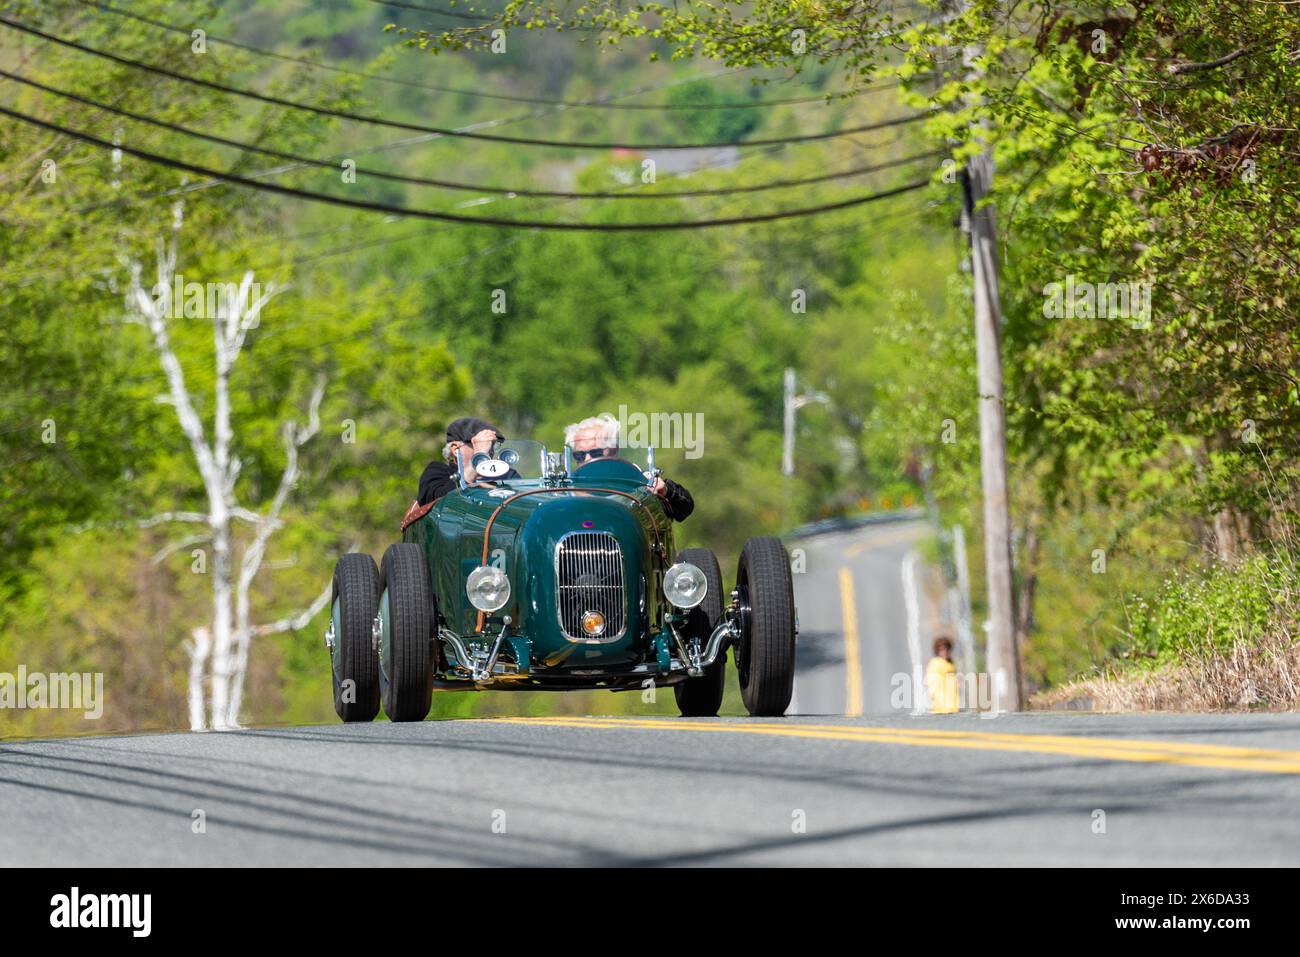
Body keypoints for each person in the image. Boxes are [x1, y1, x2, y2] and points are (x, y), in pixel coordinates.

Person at [563, 413, 695, 521]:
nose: (587, 459)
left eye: (596, 453)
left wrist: (665, 490)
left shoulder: (637, 479)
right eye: (579, 455)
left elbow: (685, 507)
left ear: (614, 450)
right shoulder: (564, 488)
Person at [417, 417, 504, 506]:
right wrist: (479, 457)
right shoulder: (437, 470)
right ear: (455, 449)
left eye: (492, 446)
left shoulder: (499, 477)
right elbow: (439, 505)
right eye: (480, 444)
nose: (489, 451)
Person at [925, 635, 960, 714]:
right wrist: (942, 704)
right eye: (942, 650)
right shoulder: (935, 663)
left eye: (947, 649)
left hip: (953, 707)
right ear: (937, 651)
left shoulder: (950, 663)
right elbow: (933, 685)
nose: (945, 652)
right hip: (941, 708)